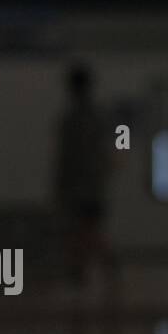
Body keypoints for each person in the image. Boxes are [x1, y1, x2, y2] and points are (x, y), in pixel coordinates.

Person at [53, 63, 113, 286]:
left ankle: (86, 270)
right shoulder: (97, 117)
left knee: (83, 230)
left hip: (79, 185)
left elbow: (65, 158)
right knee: (87, 230)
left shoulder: (71, 120)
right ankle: (82, 270)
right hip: (92, 184)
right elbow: (106, 152)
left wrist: (59, 184)